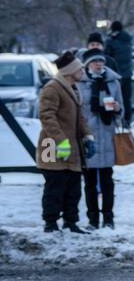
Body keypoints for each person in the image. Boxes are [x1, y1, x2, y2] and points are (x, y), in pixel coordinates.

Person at [36, 51, 90, 233]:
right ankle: (50, 223)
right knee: (54, 187)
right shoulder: (52, 88)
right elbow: (46, 116)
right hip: (51, 146)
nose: (82, 70)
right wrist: (61, 141)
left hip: (72, 147)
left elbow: (79, 117)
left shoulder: (73, 88)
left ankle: (71, 222)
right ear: (70, 71)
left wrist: (88, 136)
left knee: (73, 186)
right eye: (79, 68)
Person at [76, 48, 124, 229]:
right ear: (87, 64)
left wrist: (118, 109)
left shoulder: (112, 82)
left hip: (107, 133)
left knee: (107, 180)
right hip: (88, 135)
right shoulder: (80, 82)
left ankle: (109, 219)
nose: (99, 64)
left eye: (101, 61)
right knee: (89, 182)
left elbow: (122, 108)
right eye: (95, 61)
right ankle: (93, 219)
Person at [105, 21, 134, 122]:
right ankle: (127, 120)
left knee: (113, 98)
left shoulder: (111, 41)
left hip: (115, 75)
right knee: (126, 99)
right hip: (128, 75)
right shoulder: (128, 39)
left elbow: (106, 56)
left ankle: (114, 119)